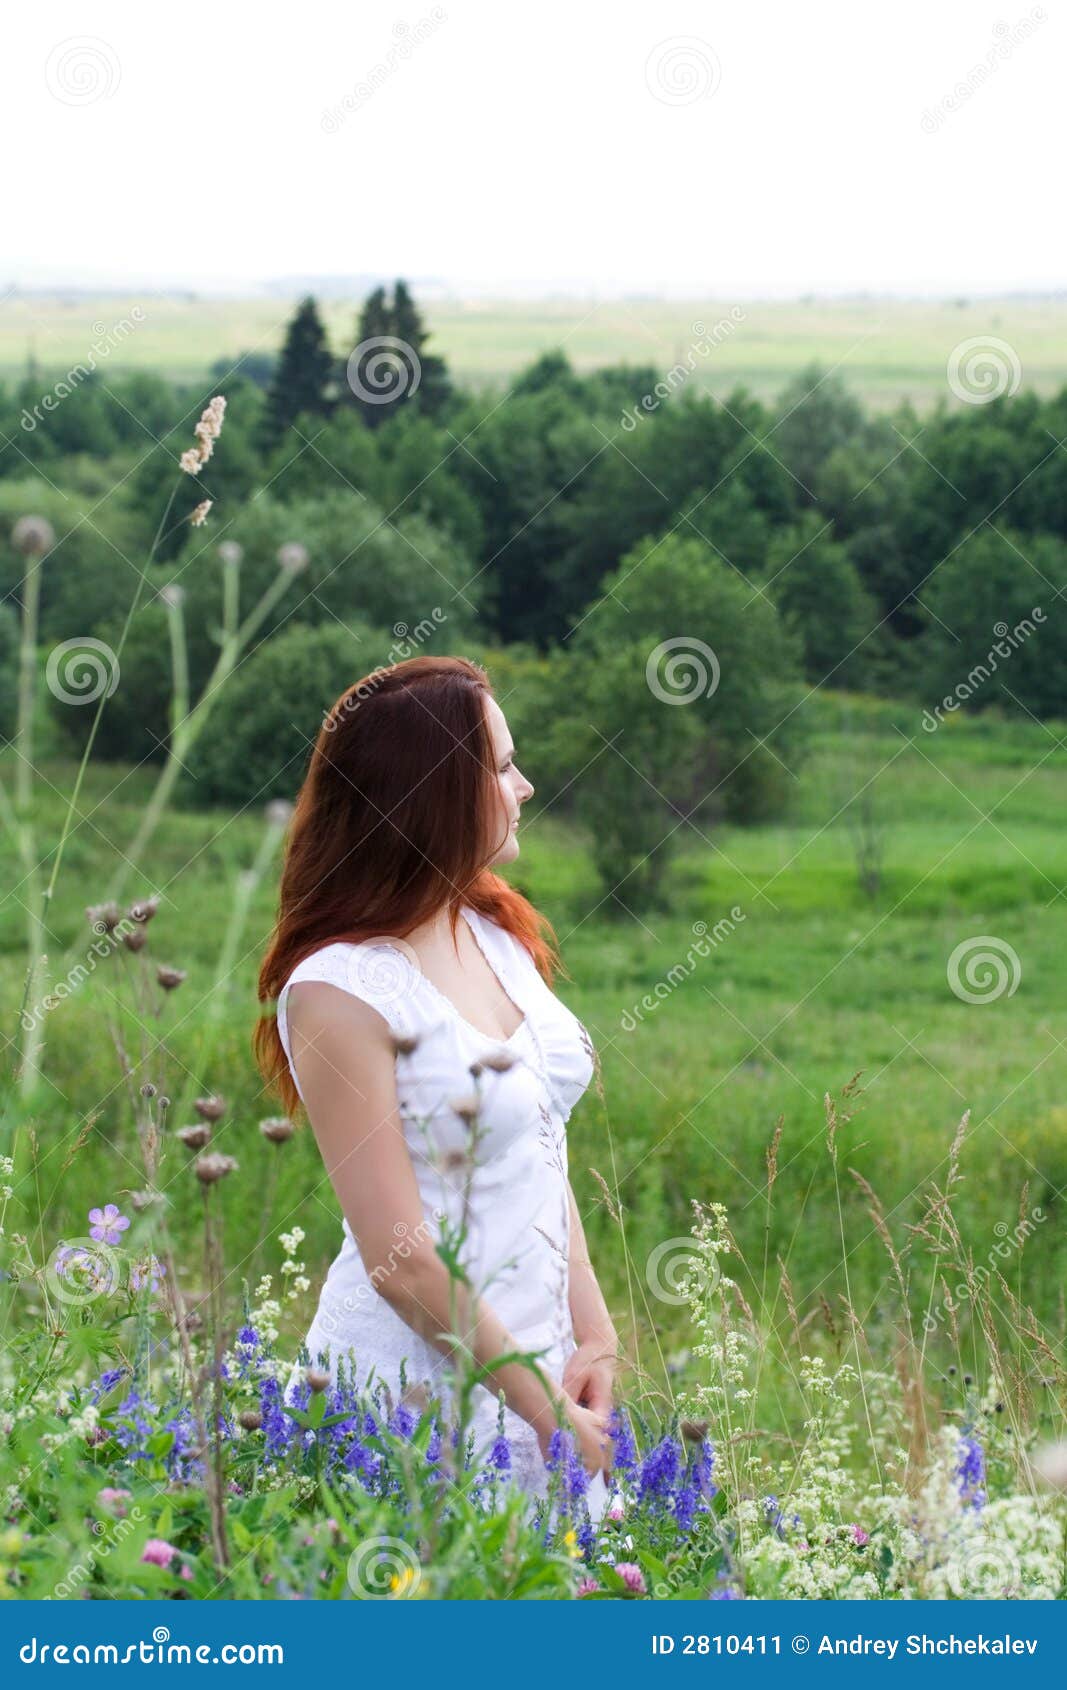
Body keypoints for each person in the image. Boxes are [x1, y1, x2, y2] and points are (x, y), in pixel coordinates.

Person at [254, 655, 619, 1518]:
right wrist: (545, 1416)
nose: (523, 786)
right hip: (408, 1399)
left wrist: (594, 1333)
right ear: (433, 791)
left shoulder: (494, 936)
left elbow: (536, 1141)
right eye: (499, 766)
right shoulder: (336, 990)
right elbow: (400, 1261)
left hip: (541, 1378)